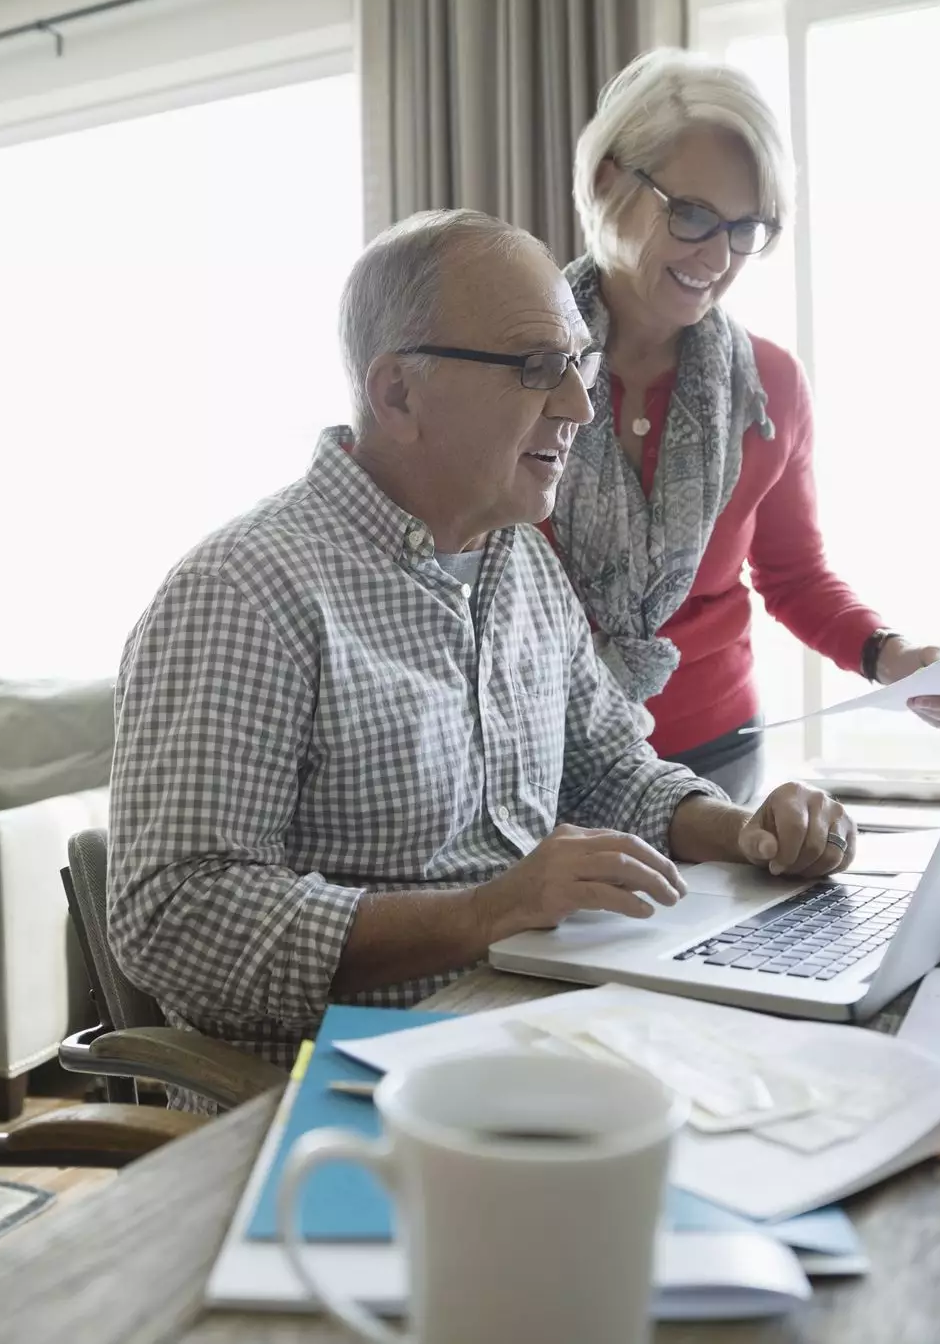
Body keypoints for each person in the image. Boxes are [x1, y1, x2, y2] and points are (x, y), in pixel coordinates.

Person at [107, 209, 858, 1083]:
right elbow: (172, 920)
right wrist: (482, 913)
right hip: (349, 1088)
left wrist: (750, 835)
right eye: (539, 368)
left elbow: (610, 771)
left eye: (579, 363)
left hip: (543, 1029)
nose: (581, 404)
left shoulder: (520, 564)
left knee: (822, 1086)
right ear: (397, 395)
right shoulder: (246, 591)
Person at [548, 49, 940, 803]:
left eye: (744, 228)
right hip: (535, 754)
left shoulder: (770, 386)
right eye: (690, 215)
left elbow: (791, 574)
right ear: (605, 179)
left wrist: (889, 656)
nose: (716, 257)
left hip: (716, 758)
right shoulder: (516, 364)